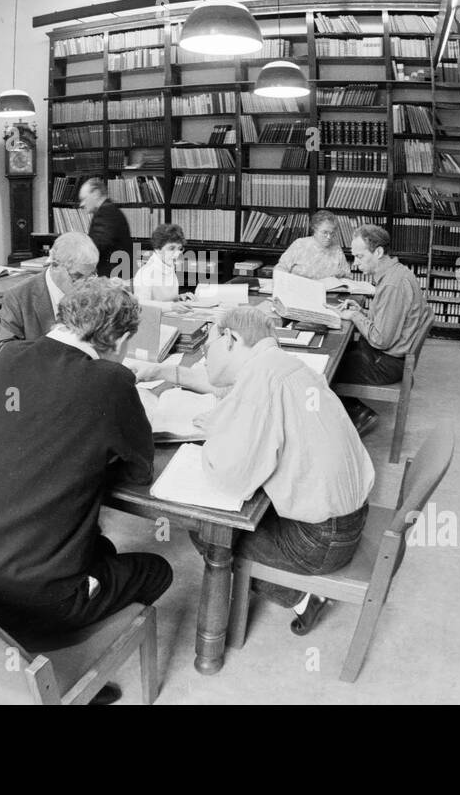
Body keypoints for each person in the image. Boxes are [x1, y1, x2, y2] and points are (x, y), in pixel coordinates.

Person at [0, 279, 172, 702]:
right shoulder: (111, 379)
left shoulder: (9, 356)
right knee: (158, 569)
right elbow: (140, 471)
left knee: (100, 548)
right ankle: (73, 660)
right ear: (121, 338)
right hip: (43, 596)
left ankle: (45, 617)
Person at [191, 305, 374, 633]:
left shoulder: (260, 379)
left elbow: (231, 478)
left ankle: (300, 596)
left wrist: (211, 442)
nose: (207, 357)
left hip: (319, 542)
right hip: (348, 519)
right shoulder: (287, 365)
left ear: (232, 339)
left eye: (209, 346)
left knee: (205, 528)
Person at [335, 223, 433, 435]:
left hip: (385, 362)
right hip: (390, 356)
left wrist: (354, 316)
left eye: (360, 257)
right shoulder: (396, 274)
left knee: (326, 370)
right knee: (340, 356)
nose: (356, 262)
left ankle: (360, 416)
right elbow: (389, 320)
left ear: (378, 252)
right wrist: (362, 311)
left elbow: (381, 340)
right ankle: (354, 413)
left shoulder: (392, 285)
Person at [0, 231, 98, 357]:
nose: (84, 285)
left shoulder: (92, 290)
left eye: (91, 275)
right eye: (77, 276)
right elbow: (2, 351)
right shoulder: (19, 297)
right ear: (55, 266)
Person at [79, 177, 133, 279]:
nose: (82, 204)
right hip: (119, 276)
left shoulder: (105, 213)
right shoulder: (110, 210)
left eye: (84, 199)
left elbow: (95, 247)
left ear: (95, 194)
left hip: (112, 279)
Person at [274, 210, 350, 280]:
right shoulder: (300, 244)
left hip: (327, 292)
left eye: (332, 233)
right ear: (315, 229)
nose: (329, 237)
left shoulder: (336, 249)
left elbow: (347, 276)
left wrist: (341, 276)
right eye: (325, 232)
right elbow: (280, 268)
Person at [133, 222, 195, 307]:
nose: (177, 254)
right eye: (171, 248)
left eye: (179, 248)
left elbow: (164, 299)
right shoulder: (146, 273)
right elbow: (142, 305)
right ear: (158, 248)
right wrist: (171, 306)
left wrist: (179, 298)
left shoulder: (168, 266)